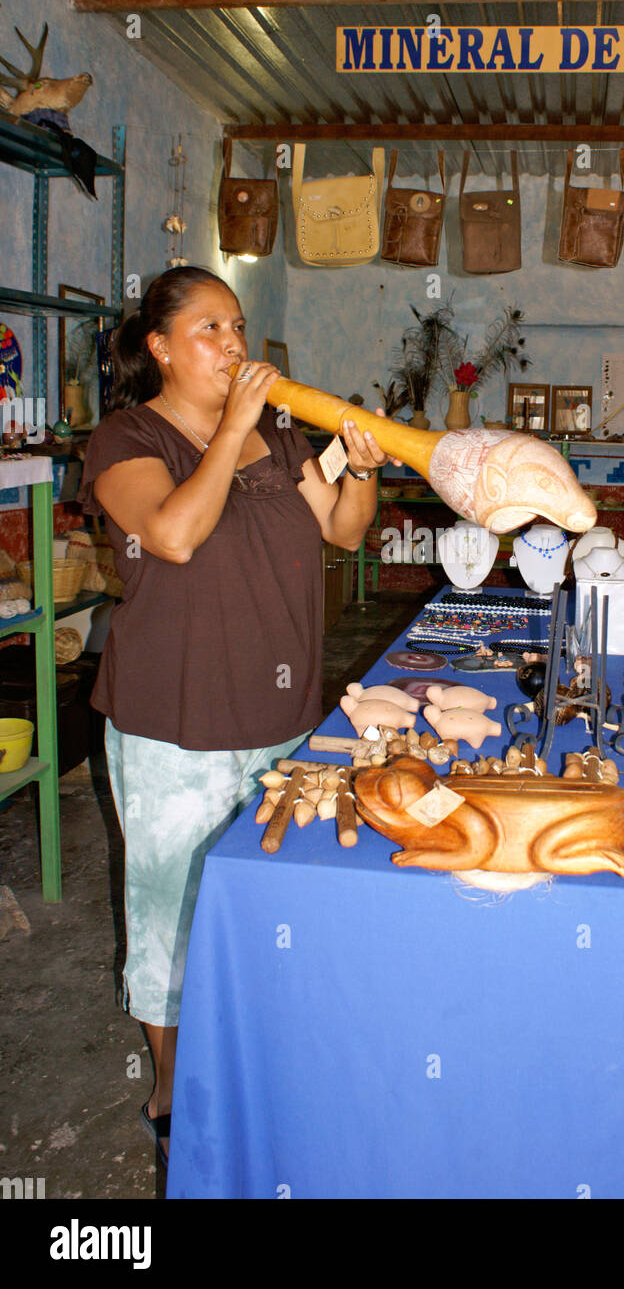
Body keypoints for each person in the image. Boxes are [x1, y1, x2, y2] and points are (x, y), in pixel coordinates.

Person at [78, 265, 394, 1166]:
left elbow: (342, 529)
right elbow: (172, 535)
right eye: (209, 329)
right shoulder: (125, 439)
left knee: (269, 895)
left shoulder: (284, 439)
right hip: (172, 719)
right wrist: (234, 429)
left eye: (237, 326)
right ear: (161, 346)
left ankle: (263, 1055)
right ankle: (175, 1089)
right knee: (173, 909)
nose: (230, 345)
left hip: (282, 714)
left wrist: (361, 471)